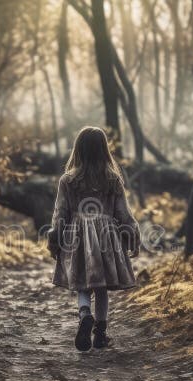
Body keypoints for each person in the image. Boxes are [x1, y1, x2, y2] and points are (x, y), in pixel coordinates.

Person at [47, 126, 140, 351]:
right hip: (106, 236)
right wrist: (132, 236)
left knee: (82, 284)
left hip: (77, 235)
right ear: (103, 150)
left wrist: (55, 240)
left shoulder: (68, 180)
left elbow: (60, 214)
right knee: (101, 287)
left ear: (78, 149)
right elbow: (123, 214)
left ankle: (84, 314)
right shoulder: (112, 179)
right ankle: (100, 334)